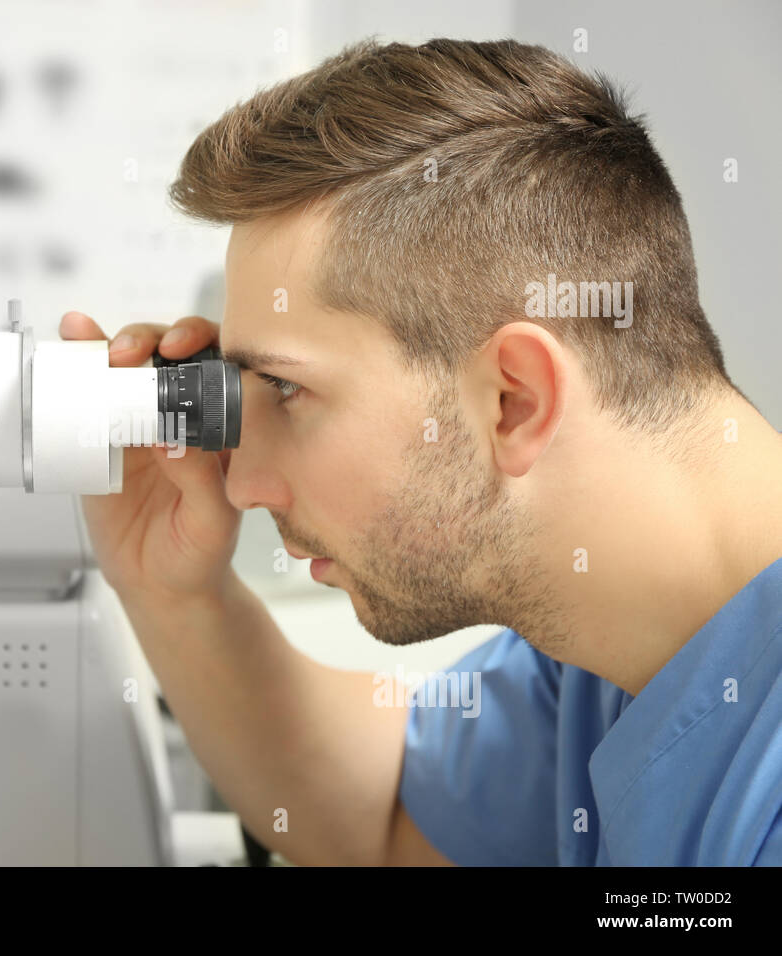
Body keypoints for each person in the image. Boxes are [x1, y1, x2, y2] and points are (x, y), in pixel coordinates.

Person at [59, 38, 782, 866]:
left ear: (515, 400)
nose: (246, 484)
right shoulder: (610, 648)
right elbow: (391, 824)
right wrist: (176, 593)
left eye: (289, 390)